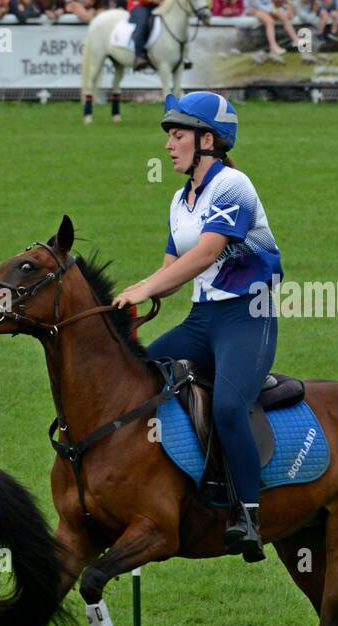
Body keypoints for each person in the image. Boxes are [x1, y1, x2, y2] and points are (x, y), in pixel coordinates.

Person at [111, 93, 282, 562]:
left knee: (229, 407)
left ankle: (247, 514)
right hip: (203, 319)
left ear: (208, 141)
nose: (168, 144)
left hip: (249, 317)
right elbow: (173, 268)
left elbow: (205, 254)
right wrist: (124, 302)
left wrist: (146, 287)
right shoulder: (179, 199)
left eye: (178, 134)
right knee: (141, 378)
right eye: (169, 135)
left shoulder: (234, 185)